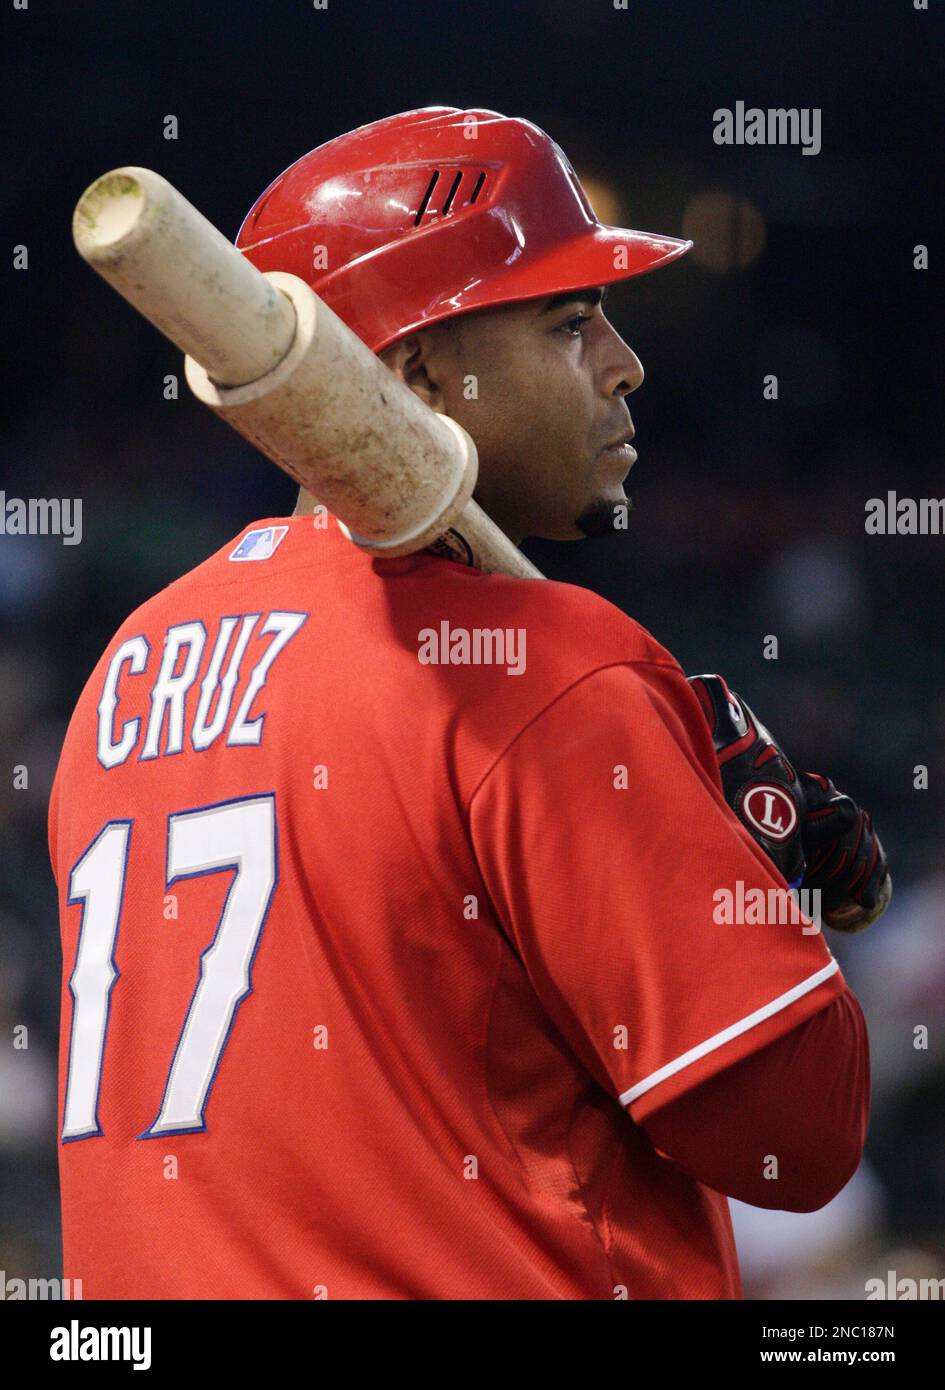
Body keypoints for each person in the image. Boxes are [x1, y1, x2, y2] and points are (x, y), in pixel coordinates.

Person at [48, 106, 880, 1300]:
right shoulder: (554, 666)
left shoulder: (128, 667)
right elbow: (797, 1138)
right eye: (570, 320)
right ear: (417, 370)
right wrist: (761, 882)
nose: (623, 364)